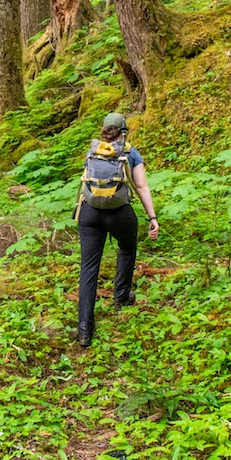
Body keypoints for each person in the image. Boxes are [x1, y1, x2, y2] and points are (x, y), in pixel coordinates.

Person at [75, 112, 158, 348]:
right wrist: (152, 217)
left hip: (90, 213)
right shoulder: (130, 153)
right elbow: (141, 186)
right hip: (120, 213)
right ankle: (121, 296)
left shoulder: (93, 151)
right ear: (124, 131)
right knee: (127, 247)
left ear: (103, 130)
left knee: (89, 267)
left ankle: (84, 329)